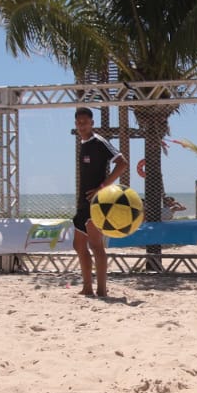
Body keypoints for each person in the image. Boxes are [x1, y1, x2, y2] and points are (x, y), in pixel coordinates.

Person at [72, 107, 128, 297]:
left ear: (92, 123)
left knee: (96, 245)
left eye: (85, 122)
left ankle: (102, 290)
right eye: (79, 122)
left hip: (97, 203)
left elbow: (122, 163)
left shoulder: (99, 142)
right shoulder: (83, 143)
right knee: (79, 245)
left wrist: (102, 187)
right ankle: (87, 287)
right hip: (83, 202)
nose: (82, 126)